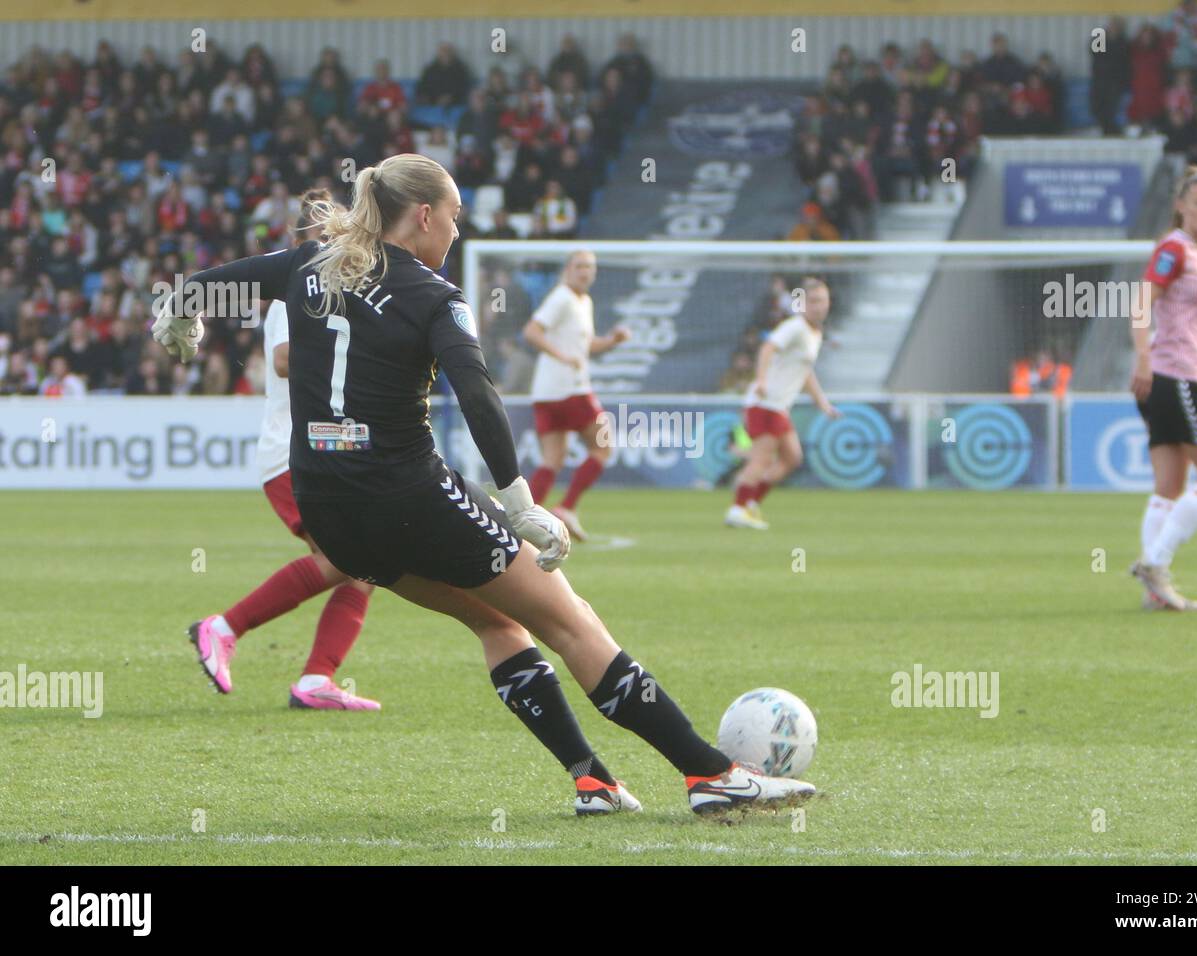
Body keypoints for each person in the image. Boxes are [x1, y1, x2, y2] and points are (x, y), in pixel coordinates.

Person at [152, 153, 812, 816]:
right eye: (456, 219)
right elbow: (477, 393)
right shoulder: (434, 295)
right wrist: (521, 505)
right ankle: (710, 774)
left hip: (331, 513)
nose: (458, 234)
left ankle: (593, 781)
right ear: (425, 215)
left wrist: (178, 316)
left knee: (497, 621)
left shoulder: (307, 265)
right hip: (408, 497)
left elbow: (205, 286)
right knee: (571, 620)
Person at [188, 190, 381, 711]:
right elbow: (280, 360)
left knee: (362, 566)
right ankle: (223, 627)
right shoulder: (299, 287)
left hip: (325, 448)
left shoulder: (333, 289)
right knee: (350, 559)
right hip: (294, 451)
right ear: (315, 238)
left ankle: (317, 680)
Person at [1129, 165, 1197, 611]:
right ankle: (1156, 561)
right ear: (1181, 207)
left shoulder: (1195, 253)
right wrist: (1145, 358)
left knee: (1169, 483)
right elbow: (1141, 300)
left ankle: (1156, 591)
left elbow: (1182, 323)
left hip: (1180, 373)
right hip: (1172, 376)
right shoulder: (1174, 248)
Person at [523, 249, 629, 541]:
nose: (585, 271)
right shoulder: (562, 297)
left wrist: (612, 341)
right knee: (604, 444)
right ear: (568, 270)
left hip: (546, 392)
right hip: (569, 388)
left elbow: (584, 346)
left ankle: (521, 521)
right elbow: (532, 331)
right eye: (580, 266)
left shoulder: (583, 301)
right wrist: (562, 357)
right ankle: (566, 508)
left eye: (590, 267)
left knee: (552, 460)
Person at [726, 278, 840, 530]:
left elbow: (805, 372)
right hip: (766, 403)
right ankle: (738, 508)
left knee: (792, 458)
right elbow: (768, 347)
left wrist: (823, 404)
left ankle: (750, 504)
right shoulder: (795, 327)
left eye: (822, 300)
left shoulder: (814, 334)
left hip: (778, 406)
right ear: (802, 304)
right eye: (813, 301)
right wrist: (762, 380)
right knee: (762, 459)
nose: (818, 306)